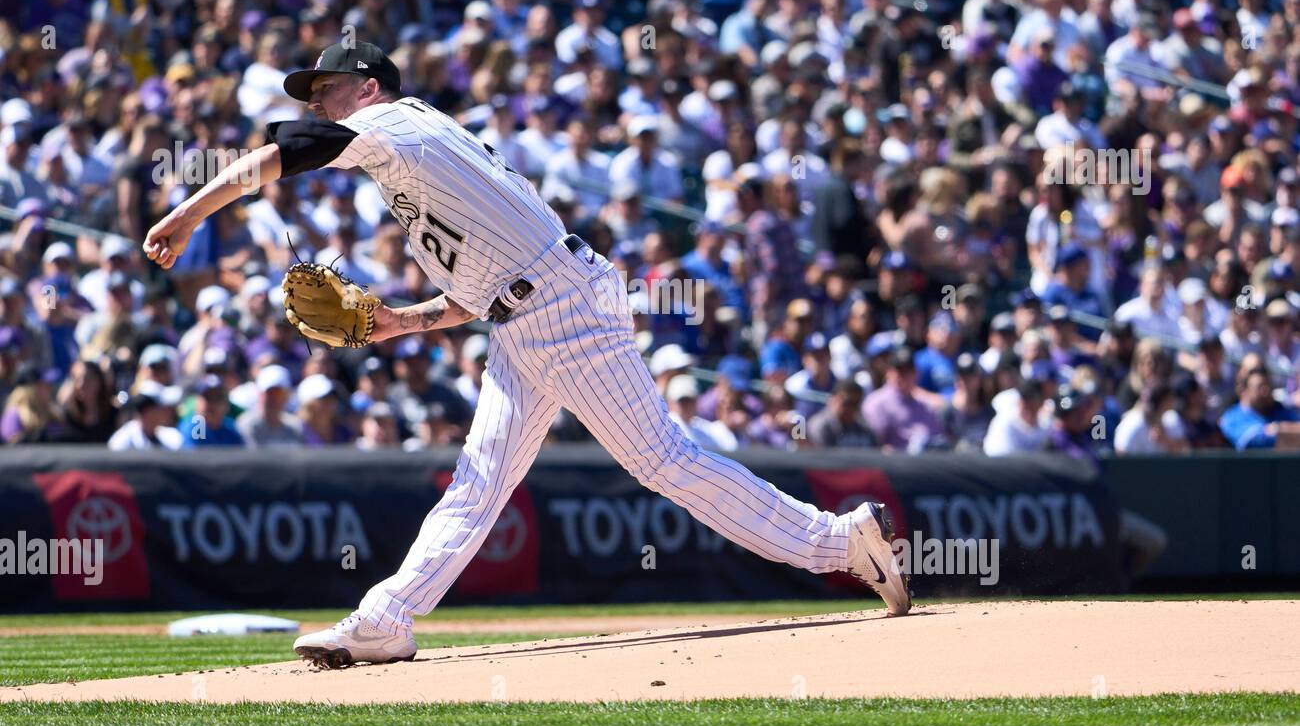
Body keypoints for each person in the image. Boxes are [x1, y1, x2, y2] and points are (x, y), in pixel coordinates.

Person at [142, 41, 911, 665]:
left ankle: (838, 540)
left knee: (664, 461)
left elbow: (295, 149)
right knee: (479, 481)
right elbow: (480, 291)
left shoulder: (399, 125)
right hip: (526, 314)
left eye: (328, 86)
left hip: (563, 307)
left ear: (370, 86)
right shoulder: (413, 166)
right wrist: (398, 323)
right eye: (311, 92)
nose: (315, 101)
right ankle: (386, 617)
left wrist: (187, 211)